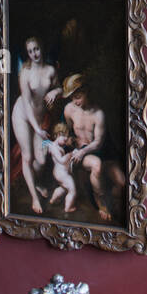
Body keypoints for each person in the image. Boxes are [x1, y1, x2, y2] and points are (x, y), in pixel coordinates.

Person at [61, 74, 125, 222]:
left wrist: (83, 150)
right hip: (83, 154)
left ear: (87, 92)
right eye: (72, 98)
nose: (75, 101)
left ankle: (111, 200)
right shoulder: (68, 110)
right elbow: (68, 132)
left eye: (78, 96)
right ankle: (101, 202)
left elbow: (98, 143)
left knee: (122, 183)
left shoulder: (98, 114)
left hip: (102, 152)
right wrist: (71, 142)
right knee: (96, 165)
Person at [10, 37, 62, 214]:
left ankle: (37, 182)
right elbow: (25, 103)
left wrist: (55, 91)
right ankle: (35, 197)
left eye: (37, 49)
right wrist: (38, 129)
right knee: (28, 157)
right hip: (23, 116)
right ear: (28, 54)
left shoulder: (50, 70)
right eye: (31, 51)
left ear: (42, 48)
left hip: (39, 118)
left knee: (40, 160)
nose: (34, 54)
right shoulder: (25, 73)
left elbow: (60, 87)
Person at [43, 123, 77, 215]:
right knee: (72, 190)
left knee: (63, 187)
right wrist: (70, 154)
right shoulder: (54, 147)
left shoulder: (55, 146)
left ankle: (52, 200)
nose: (65, 142)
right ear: (58, 135)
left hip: (60, 173)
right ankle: (68, 208)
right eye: (64, 139)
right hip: (62, 174)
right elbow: (61, 160)